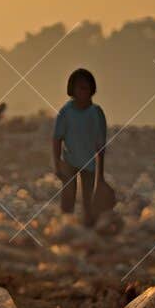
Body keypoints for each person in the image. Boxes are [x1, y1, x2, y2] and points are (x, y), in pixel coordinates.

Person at [53, 67, 107, 228]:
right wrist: (57, 164)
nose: (84, 91)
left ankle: (88, 234)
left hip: (89, 164)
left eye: (87, 88)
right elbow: (57, 139)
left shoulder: (96, 112)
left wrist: (101, 176)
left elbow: (101, 145)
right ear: (73, 90)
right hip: (69, 161)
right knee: (68, 200)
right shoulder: (66, 112)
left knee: (88, 202)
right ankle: (65, 231)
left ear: (92, 90)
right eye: (80, 88)